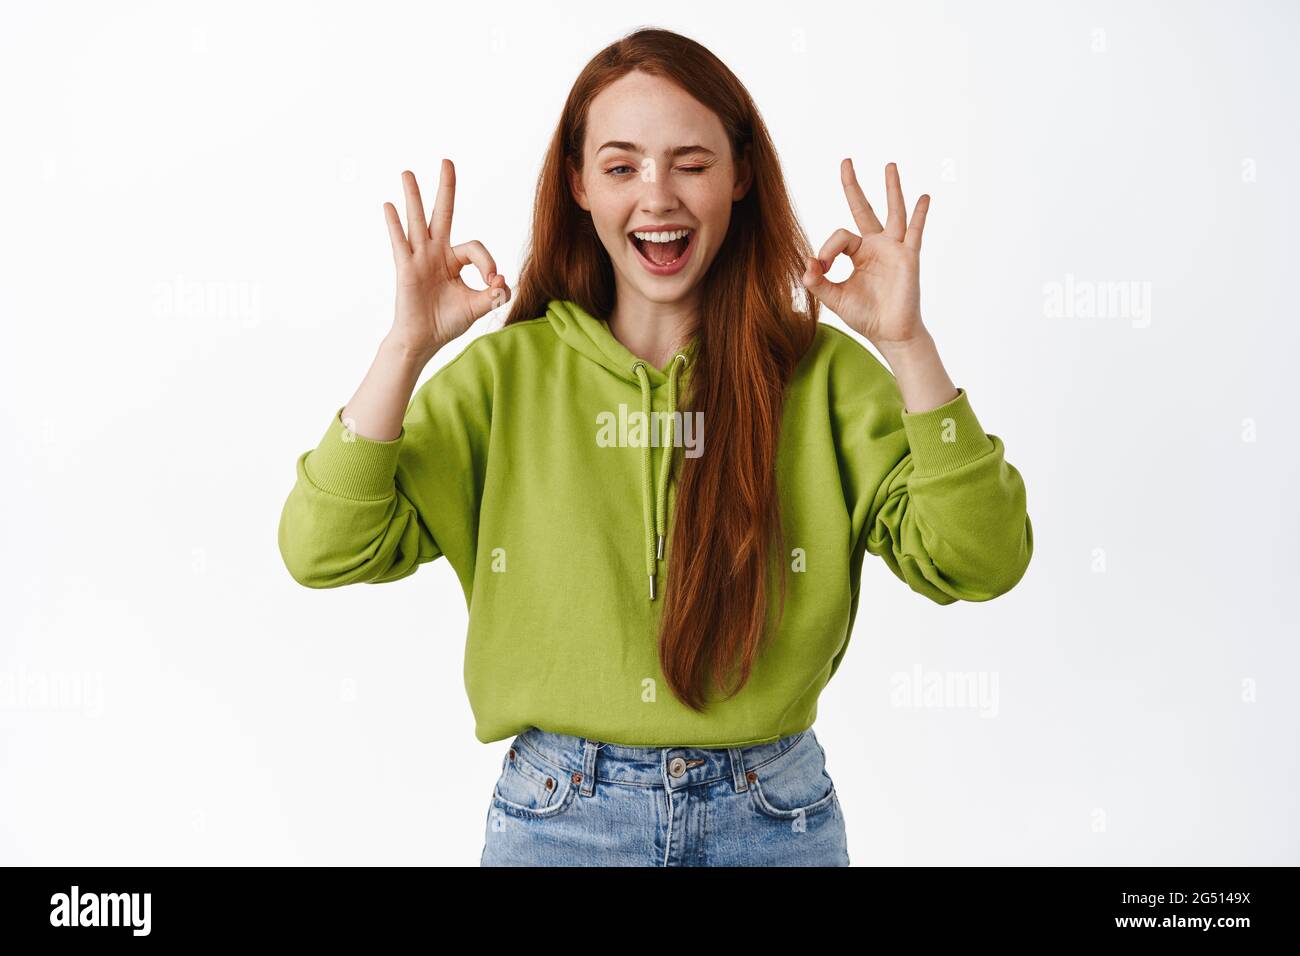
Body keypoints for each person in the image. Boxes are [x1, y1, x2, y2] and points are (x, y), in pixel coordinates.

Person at [277, 27, 1033, 867]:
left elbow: (983, 561)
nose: (658, 195)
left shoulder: (822, 378)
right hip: (559, 819)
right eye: (622, 165)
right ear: (579, 186)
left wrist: (908, 346)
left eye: (692, 163)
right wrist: (404, 349)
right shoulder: (504, 377)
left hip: (773, 816)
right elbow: (323, 549)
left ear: (741, 175)